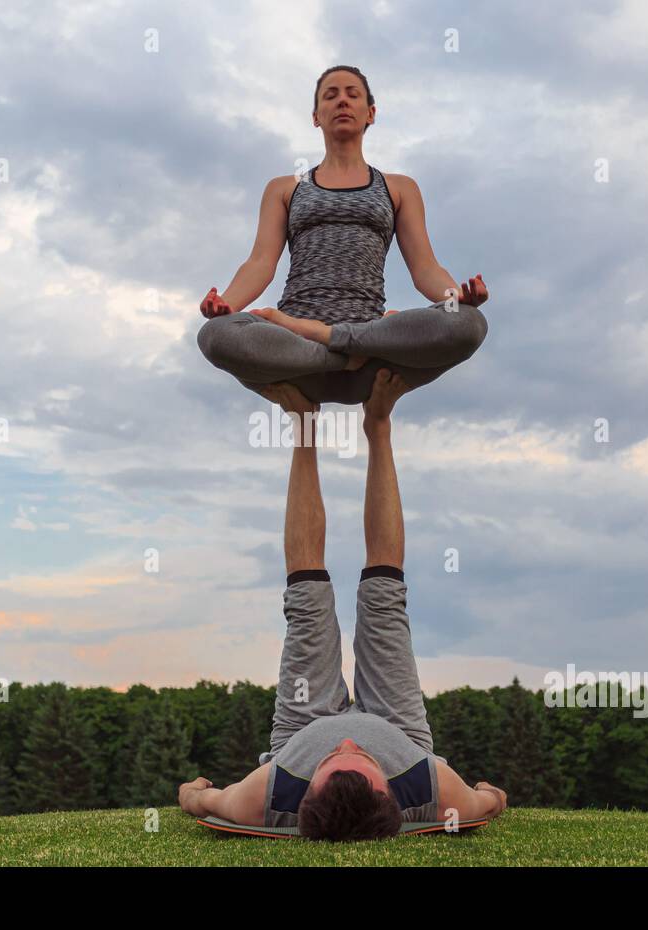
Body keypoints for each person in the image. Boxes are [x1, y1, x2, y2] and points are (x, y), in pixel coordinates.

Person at [177, 370, 507, 840]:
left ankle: (305, 425)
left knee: (307, 600)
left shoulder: (265, 798)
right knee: (384, 598)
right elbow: (489, 803)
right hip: (400, 730)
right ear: (391, 792)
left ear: (305, 792)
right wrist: (492, 794)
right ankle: (379, 425)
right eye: (363, 757)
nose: (348, 739)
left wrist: (193, 788)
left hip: (300, 728)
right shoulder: (433, 790)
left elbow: (201, 803)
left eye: (335, 757)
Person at [197, 65, 489, 406]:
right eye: (331, 96)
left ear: (371, 113)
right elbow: (260, 262)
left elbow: (425, 267)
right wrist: (227, 304)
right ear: (316, 116)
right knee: (215, 335)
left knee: (469, 324)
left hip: (372, 360)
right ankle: (336, 350)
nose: (342, 102)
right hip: (294, 350)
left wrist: (456, 297)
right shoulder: (285, 188)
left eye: (353, 94)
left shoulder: (399, 188)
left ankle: (338, 339)